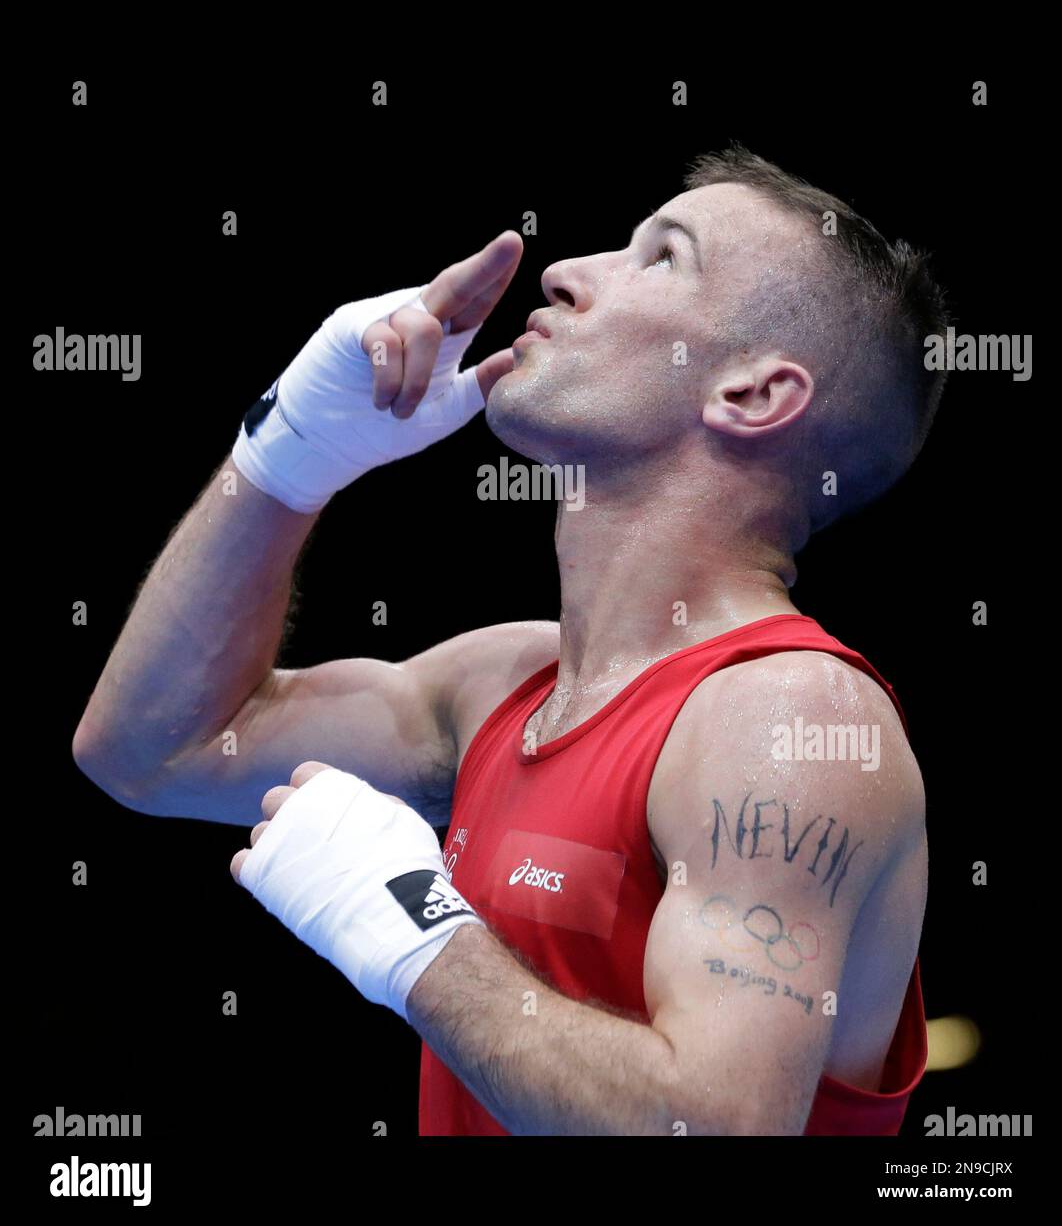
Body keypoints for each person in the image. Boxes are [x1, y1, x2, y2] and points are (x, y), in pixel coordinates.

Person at [73, 145, 947, 1135]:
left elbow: (721, 1128)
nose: (567, 271)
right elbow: (152, 752)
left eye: (662, 257)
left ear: (752, 393)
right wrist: (288, 455)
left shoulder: (791, 715)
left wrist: (418, 937)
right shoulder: (505, 683)